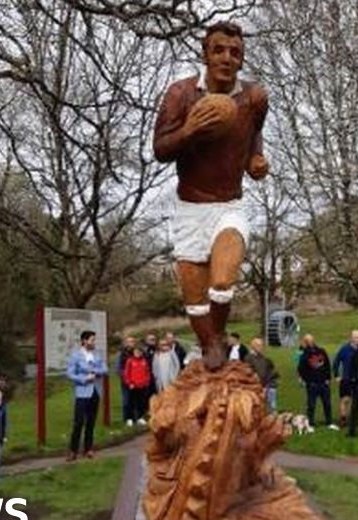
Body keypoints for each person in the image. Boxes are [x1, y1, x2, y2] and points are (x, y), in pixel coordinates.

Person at [153, 20, 269, 370]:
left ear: (242, 59)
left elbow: (254, 134)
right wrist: (188, 131)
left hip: (228, 206)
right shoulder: (181, 94)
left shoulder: (254, 97)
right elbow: (160, 149)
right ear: (205, 54)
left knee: (222, 280)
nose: (226, 57)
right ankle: (210, 345)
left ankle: (216, 340)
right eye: (218, 50)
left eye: (235, 52)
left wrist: (255, 159)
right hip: (189, 207)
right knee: (195, 299)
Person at [67, 331, 109, 460]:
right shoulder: (76, 356)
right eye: (92, 340)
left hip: (95, 391)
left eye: (94, 340)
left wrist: (93, 371)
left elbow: (105, 369)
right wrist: (84, 378)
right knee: (78, 422)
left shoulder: (97, 355)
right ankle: (73, 450)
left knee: (91, 422)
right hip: (82, 393)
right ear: (84, 341)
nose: (93, 343)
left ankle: (88, 448)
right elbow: (70, 374)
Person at [298, 334, 337, 430]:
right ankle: (310, 424)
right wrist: (307, 380)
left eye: (311, 340)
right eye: (307, 341)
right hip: (312, 384)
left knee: (327, 403)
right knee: (311, 405)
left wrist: (328, 378)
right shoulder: (304, 355)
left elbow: (327, 365)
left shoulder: (321, 351)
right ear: (305, 342)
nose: (310, 342)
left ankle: (329, 422)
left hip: (324, 383)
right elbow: (301, 369)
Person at [333, 330, 358, 428]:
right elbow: (336, 362)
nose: (357, 339)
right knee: (345, 399)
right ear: (351, 338)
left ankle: (354, 418)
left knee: (356, 400)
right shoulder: (344, 349)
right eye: (356, 337)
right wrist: (337, 375)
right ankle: (343, 418)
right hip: (346, 379)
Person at [245, 337, 280, 412]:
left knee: (271, 408)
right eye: (259, 345)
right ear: (253, 346)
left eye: (262, 345)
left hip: (269, 386)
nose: (261, 347)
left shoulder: (264, 358)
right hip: (257, 388)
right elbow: (250, 373)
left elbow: (271, 370)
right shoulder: (248, 358)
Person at [124, 346, 152, 426]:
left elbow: (147, 372)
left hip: (142, 385)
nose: (138, 353)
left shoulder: (144, 361)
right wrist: (129, 383)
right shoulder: (130, 361)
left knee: (141, 403)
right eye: (136, 352)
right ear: (133, 353)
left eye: (139, 352)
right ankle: (130, 418)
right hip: (133, 385)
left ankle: (140, 418)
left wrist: (147, 382)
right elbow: (126, 373)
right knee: (131, 403)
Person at [115, 336, 138, 424]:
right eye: (129, 341)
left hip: (136, 381)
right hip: (126, 381)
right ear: (125, 343)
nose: (131, 343)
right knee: (126, 400)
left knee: (136, 400)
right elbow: (118, 368)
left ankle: (135, 418)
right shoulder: (121, 354)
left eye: (133, 341)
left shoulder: (136, 352)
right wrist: (125, 378)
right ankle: (127, 418)